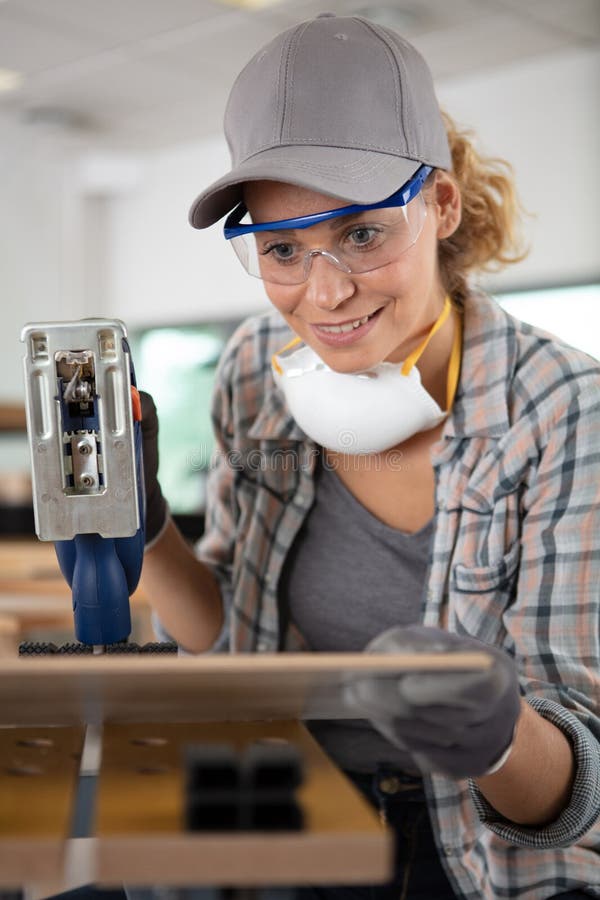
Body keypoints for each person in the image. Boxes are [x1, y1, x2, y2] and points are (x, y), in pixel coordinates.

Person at [138, 13, 600, 900]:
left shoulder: (561, 409)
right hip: (291, 806)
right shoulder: (250, 372)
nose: (325, 293)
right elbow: (236, 647)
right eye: (281, 250)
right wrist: (144, 525)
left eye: (360, 234)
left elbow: (579, 787)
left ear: (441, 203)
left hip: (474, 855)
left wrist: (499, 734)